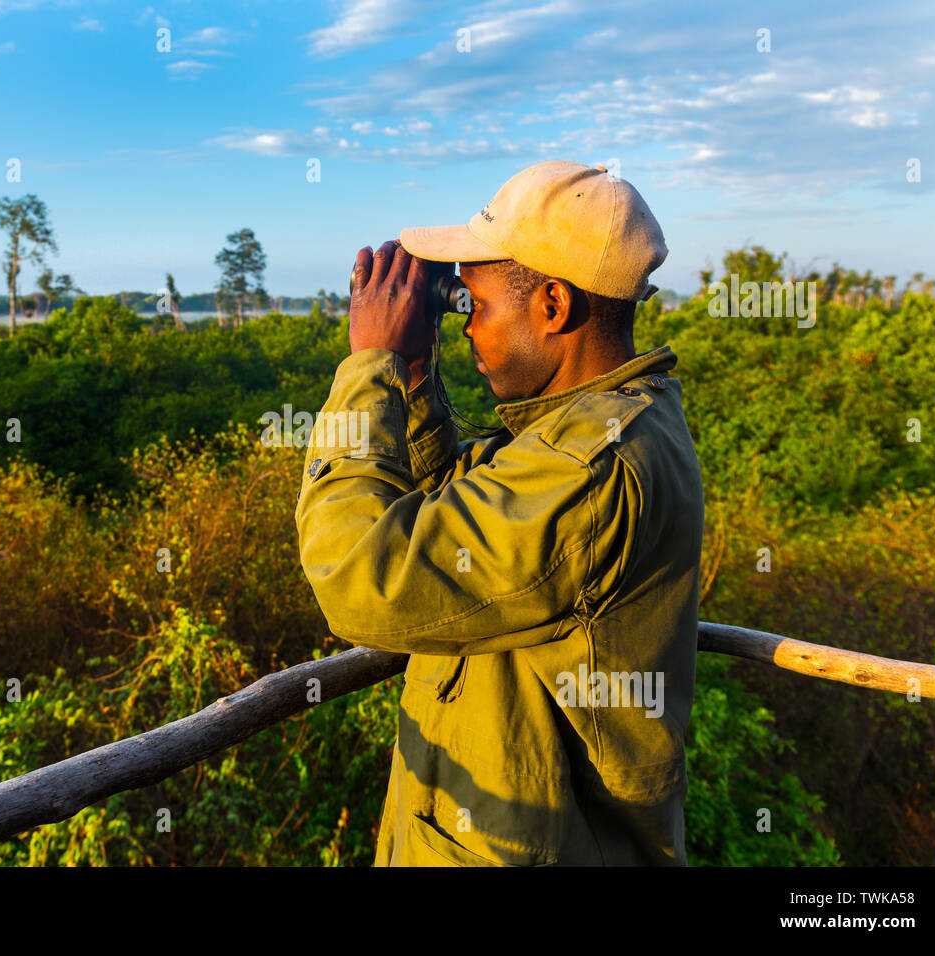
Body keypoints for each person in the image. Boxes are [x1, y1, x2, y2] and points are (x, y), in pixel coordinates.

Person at [293, 160, 704, 866]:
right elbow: (450, 518)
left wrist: (368, 366)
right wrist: (413, 371)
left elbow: (357, 575)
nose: (464, 324)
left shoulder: (589, 466)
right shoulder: (592, 428)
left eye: (473, 303)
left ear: (551, 305)